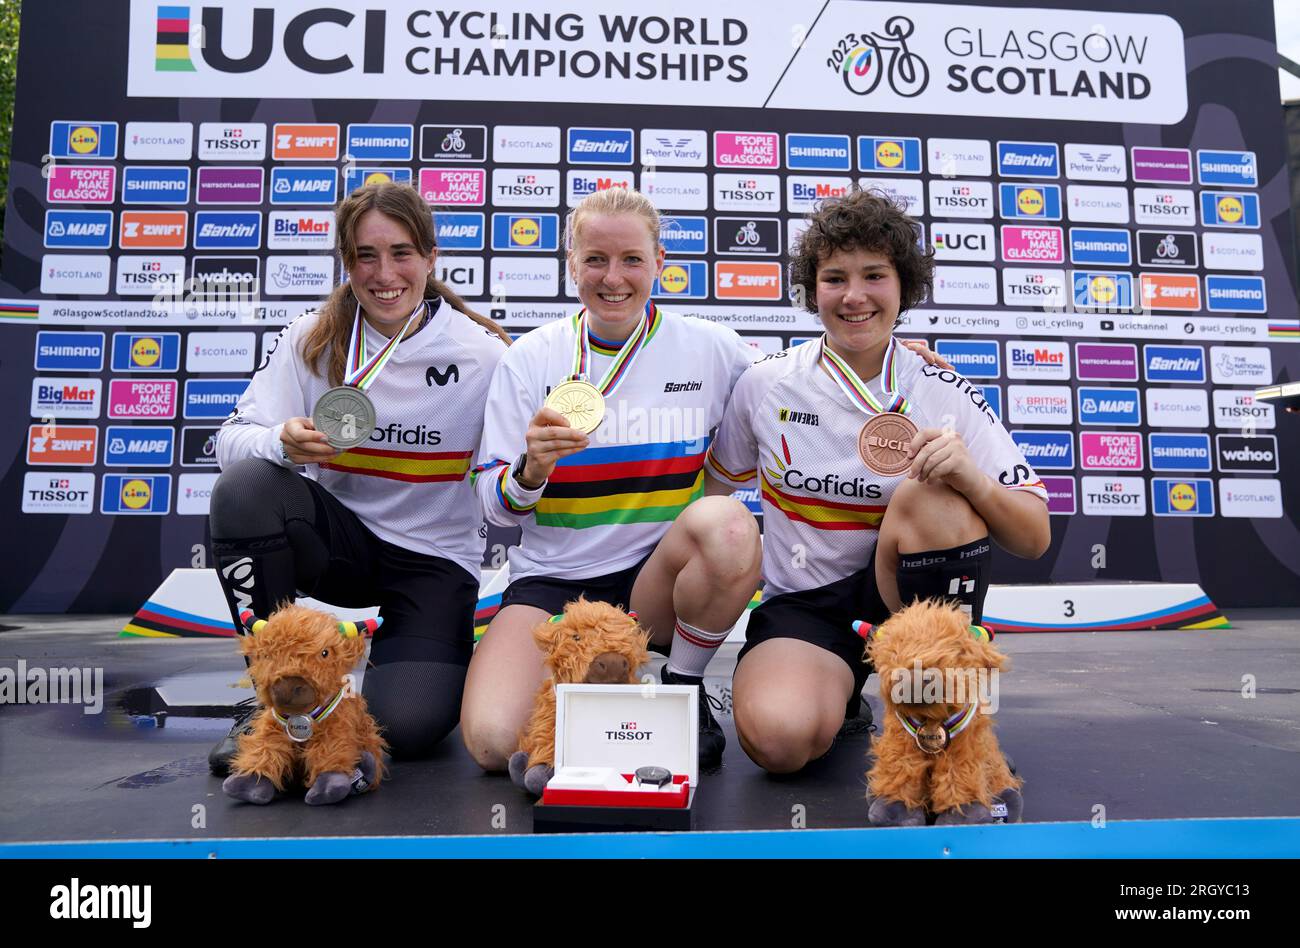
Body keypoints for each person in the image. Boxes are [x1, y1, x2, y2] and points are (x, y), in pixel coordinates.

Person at [705, 187, 1051, 774]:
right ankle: (842, 702)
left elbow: (1034, 536)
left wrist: (973, 479)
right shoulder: (766, 384)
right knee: (779, 743)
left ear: (904, 286)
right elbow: (713, 501)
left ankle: (945, 715)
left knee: (935, 495)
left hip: (910, 608)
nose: (854, 296)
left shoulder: (941, 387)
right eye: (835, 277)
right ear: (812, 289)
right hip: (809, 608)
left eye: (875, 276)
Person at [206, 181, 511, 773]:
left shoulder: (485, 354)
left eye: (401, 253)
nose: (384, 272)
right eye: (365, 256)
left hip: (433, 560)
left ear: (430, 257)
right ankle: (276, 697)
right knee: (246, 488)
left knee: (409, 730)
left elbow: (510, 479)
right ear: (347, 263)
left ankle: (422, 658)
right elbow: (230, 441)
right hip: (340, 545)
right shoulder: (315, 337)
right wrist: (280, 441)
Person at [461, 186, 764, 771]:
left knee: (726, 525)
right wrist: (531, 471)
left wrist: (887, 357)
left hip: (653, 586)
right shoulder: (530, 358)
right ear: (571, 263)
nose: (613, 278)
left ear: (660, 264)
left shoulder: (713, 350)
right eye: (595, 259)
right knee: (495, 744)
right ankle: (611, 706)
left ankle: (681, 686)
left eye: (631, 260)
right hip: (554, 583)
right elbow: (494, 509)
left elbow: (800, 387)